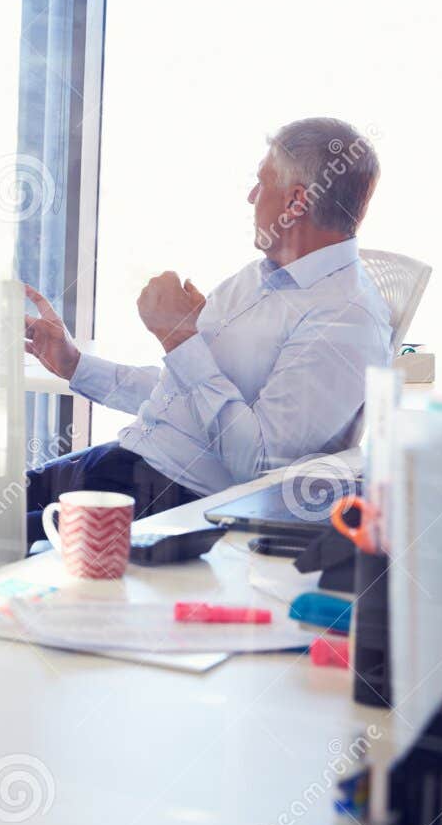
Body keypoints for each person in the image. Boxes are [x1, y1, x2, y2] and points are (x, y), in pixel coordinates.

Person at [23, 116, 393, 545]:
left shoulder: (346, 319)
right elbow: (184, 393)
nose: (251, 196)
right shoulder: (259, 279)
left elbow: (258, 464)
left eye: (262, 182)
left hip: (171, 500)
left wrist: (182, 340)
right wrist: (75, 365)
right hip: (121, 461)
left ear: (296, 201)